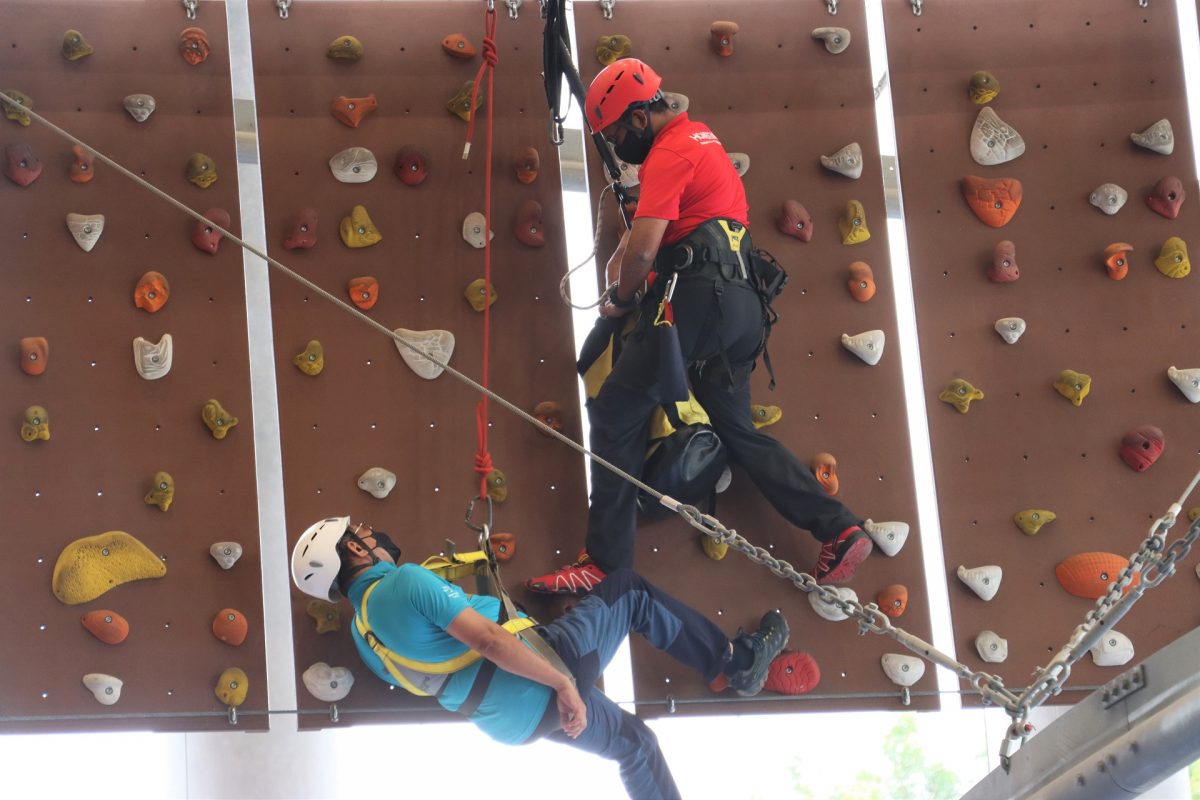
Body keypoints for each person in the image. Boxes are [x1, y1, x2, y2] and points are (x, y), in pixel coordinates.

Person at [526, 58, 907, 595]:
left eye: (616, 135)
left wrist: (621, 300)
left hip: (699, 301)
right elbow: (670, 235)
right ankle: (838, 527)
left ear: (639, 117)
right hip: (743, 310)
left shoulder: (669, 153)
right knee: (738, 430)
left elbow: (642, 256)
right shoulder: (701, 140)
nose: (618, 148)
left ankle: (605, 564)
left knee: (614, 411)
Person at [291, 516, 792, 800]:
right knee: (629, 590)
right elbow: (489, 642)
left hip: (515, 723)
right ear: (353, 549)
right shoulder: (404, 582)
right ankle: (736, 664)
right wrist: (562, 683)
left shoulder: (364, 636)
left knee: (636, 746)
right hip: (544, 673)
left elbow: (447, 662)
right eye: (363, 532)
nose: (374, 534)